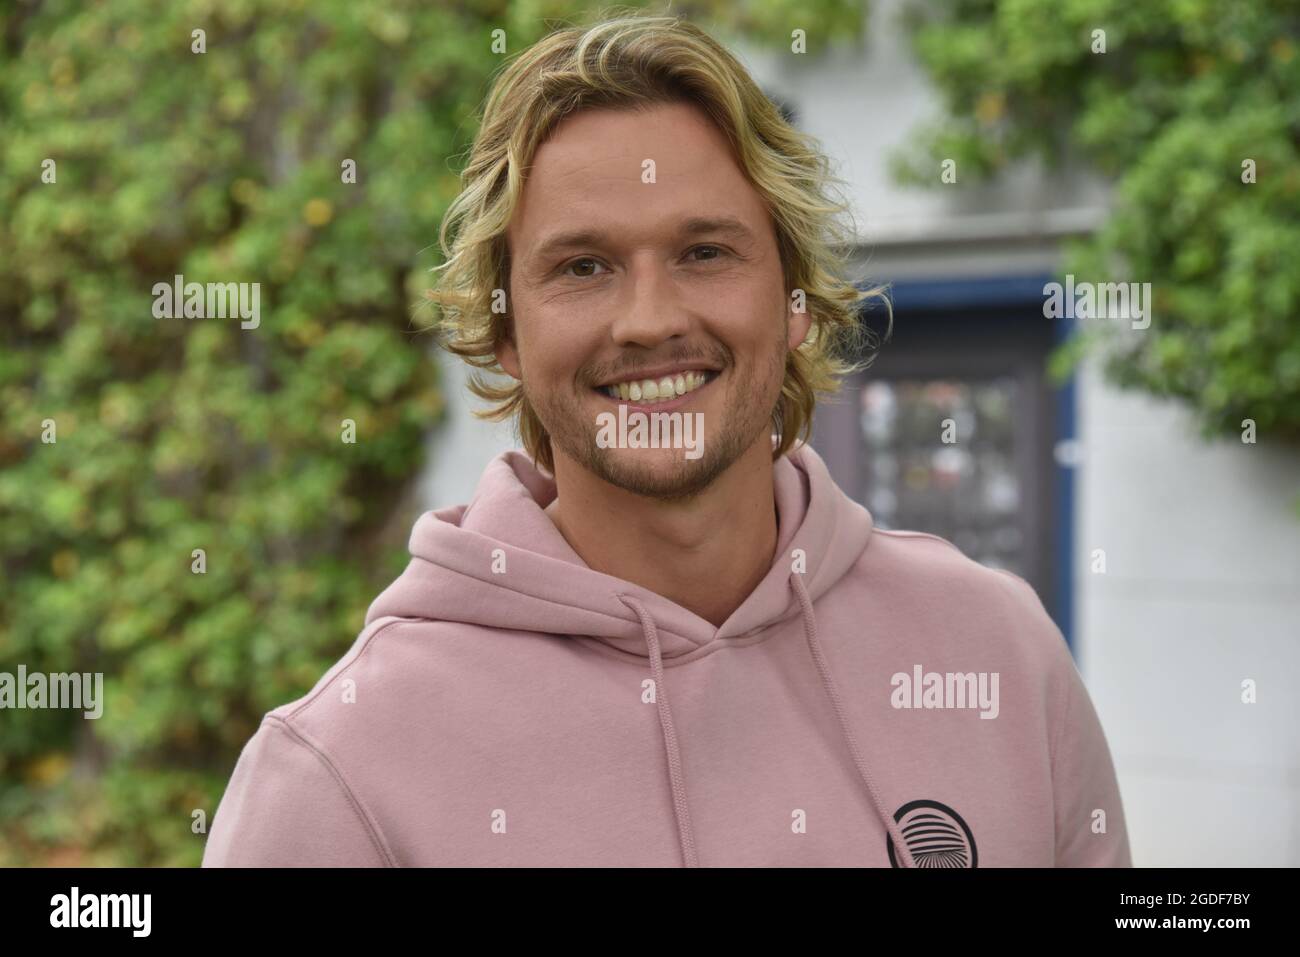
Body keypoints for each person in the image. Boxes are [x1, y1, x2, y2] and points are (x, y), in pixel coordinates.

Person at [202, 11, 1131, 867]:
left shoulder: (997, 652)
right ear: (505, 334)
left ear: (795, 300)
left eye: (705, 252)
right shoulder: (339, 770)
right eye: (584, 266)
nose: (649, 319)